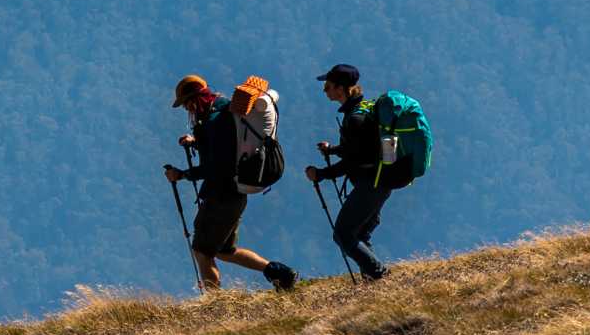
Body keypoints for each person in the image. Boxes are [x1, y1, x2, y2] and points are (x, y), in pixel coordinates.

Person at [164, 73, 296, 292]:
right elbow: (228, 148)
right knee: (224, 250)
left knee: (202, 251)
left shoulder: (214, 121)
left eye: (187, 104)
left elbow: (216, 166)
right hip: (235, 193)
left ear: (196, 99)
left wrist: (182, 175)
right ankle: (280, 273)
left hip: (221, 195)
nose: (187, 109)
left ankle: (215, 304)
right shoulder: (223, 109)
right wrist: (196, 142)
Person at [305, 63, 409, 281]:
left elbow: (352, 161)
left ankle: (380, 277)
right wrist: (333, 150)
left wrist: (321, 174)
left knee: (343, 234)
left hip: (371, 183)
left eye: (328, 86)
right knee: (360, 233)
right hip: (382, 179)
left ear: (341, 89)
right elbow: (360, 149)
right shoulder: (364, 108)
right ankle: (372, 282)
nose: (324, 90)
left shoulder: (354, 119)